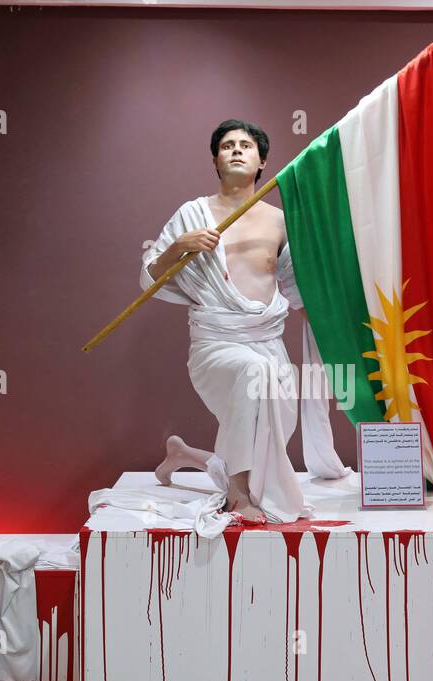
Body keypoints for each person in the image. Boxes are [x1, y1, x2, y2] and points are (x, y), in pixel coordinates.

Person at [140, 118, 350, 525]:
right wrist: (180, 248)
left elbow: (293, 289)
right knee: (254, 376)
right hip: (216, 345)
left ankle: (184, 456)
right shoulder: (192, 215)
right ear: (216, 161)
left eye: (246, 145)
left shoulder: (277, 221)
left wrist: (336, 338)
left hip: (266, 341)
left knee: (269, 402)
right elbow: (150, 277)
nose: (236, 150)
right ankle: (237, 494)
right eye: (227, 145)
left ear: (261, 162)